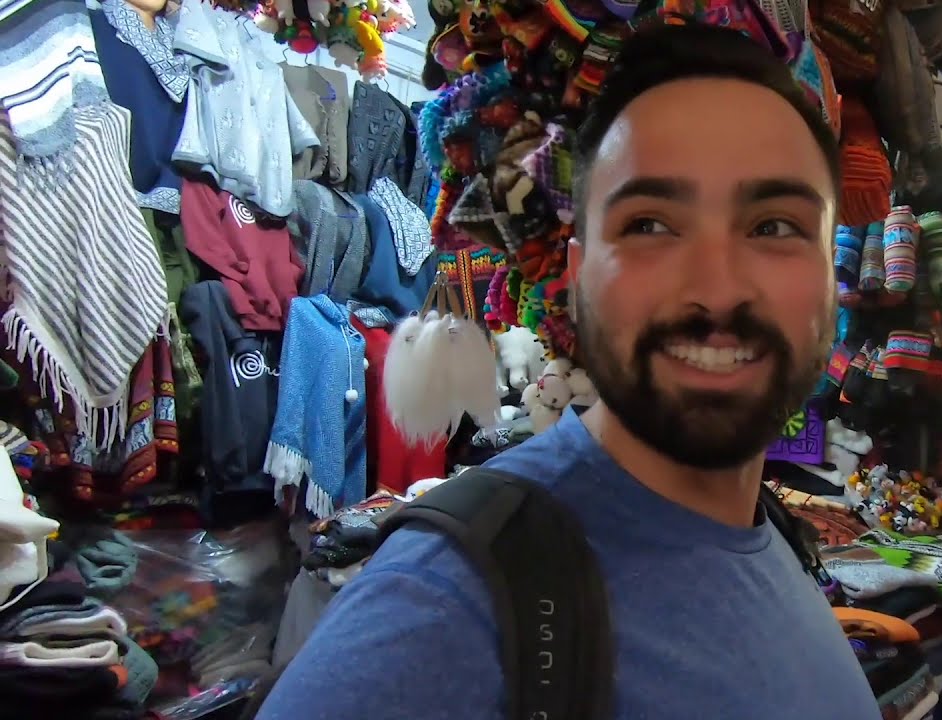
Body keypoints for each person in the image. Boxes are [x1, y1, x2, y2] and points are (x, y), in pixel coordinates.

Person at [255, 23, 882, 720]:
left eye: (774, 227)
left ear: (831, 277)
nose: (718, 288)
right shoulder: (445, 606)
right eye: (650, 225)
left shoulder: (775, 539)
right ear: (578, 279)